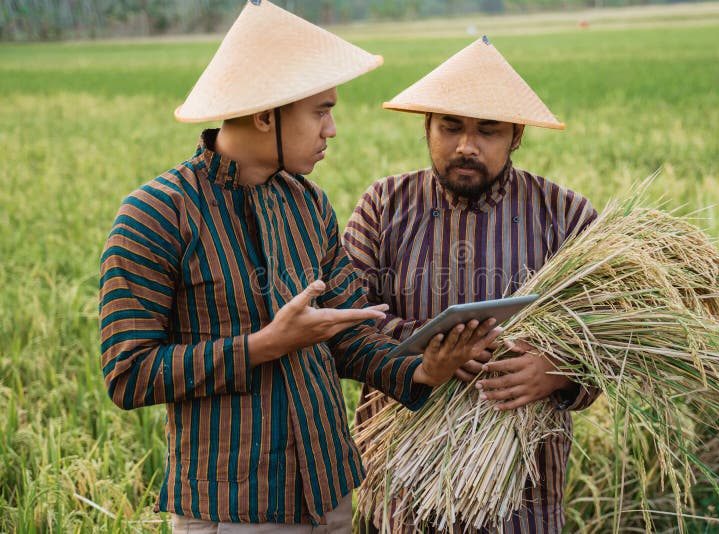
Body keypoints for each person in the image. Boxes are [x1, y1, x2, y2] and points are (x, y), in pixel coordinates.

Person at [98, 4, 500, 533]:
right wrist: (265, 344)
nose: (331, 129)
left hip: (329, 491)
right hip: (235, 507)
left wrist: (425, 370)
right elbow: (129, 374)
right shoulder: (157, 214)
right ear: (267, 115)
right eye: (320, 111)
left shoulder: (308, 205)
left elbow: (351, 329)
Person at [343, 36, 600, 533]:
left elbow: (613, 339)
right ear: (427, 127)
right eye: (451, 126)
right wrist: (428, 351)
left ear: (516, 134)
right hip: (398, 488)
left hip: (521, 498)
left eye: (488, 130)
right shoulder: (383, 205)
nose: (466, 145)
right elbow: (346, 325)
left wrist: (558, 372)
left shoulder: (565, 216)